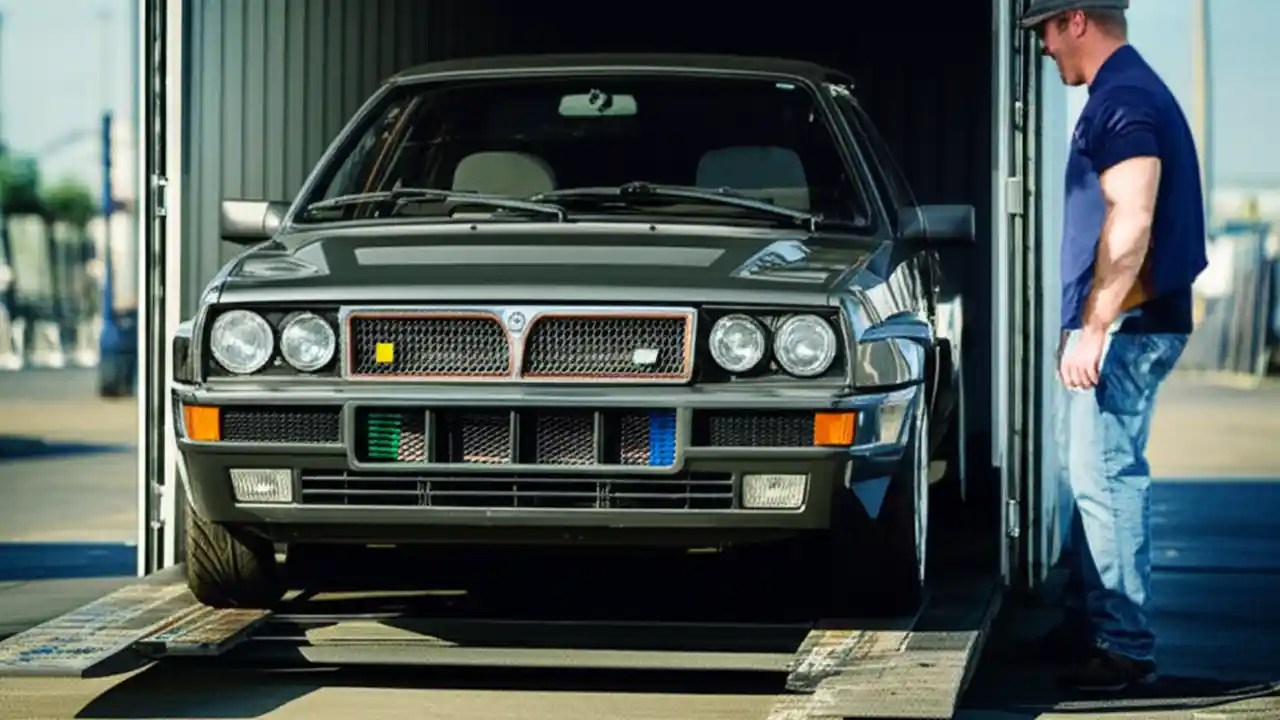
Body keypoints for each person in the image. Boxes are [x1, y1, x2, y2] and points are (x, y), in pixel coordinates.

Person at [1019, 0, 1209, 692]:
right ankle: (1087, 624)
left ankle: (1124, 646)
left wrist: (1095, 325)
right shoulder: (1124, 89)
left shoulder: (1124, 97)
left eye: (1042, 30)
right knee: (1089, 476)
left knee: (1106, 479)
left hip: (1127, 327)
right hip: (1126, 323)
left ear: (1074, 20)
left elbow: (1132, 214)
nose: (1042, 48)